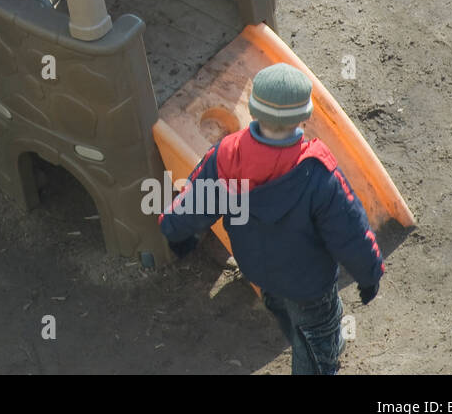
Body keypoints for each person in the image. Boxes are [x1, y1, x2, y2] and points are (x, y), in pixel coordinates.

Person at [159, 63, 385, 374]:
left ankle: (315, 339)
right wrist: (369, 272)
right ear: (304, 116)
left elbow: (196, 200)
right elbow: (349, 230)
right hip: (309, 284)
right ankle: (321, 356)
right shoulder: (318, 173)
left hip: (260, 271)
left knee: (286, 313)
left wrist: (175, 231)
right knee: (316, 337)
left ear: (252, 111)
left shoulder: (228, 155)